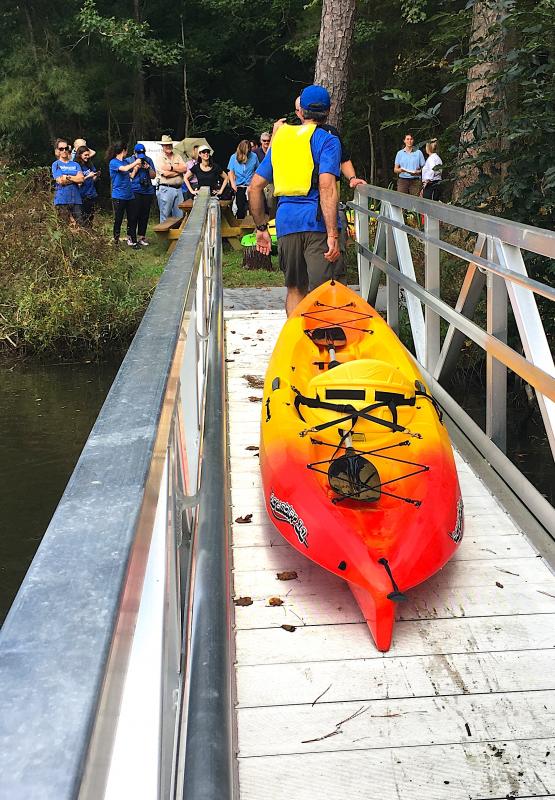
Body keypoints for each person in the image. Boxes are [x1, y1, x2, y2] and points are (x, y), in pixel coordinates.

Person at [249, 85, 342, 317]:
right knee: (323, 291)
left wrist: (261, 227)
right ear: (328, 111)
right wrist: (333, 234)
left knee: (294, 288)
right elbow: (327, 187)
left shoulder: (280, 142)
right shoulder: (328, 141)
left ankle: (295, 343)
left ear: (301, 112)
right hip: (317, 225)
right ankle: (320, 347)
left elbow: (254, 187)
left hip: (287, 223)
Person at [107, 140, 142, 246]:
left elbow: (130, 176)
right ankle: (116, 240)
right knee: (118, 219)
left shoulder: (126, 162)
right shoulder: (113, 162)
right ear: (123, 150)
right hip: (118, 195)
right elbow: (124, 169)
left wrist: (135, 169)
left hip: (129, 195)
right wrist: (135, 162)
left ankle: (133, 241)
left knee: (132, 218)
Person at [127, 143, 156, 246]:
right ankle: (130, 236)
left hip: (147, 190)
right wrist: (136, 167)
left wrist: (148, 168)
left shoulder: (148, 160)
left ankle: (141, 237)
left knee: (144, 215)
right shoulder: (129, 161)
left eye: (142, 154)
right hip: (135, 190)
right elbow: (128, 176)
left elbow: (153, 176)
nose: (141, 156)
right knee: (133, 214)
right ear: (134, 153)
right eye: (139, 154)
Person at [51, 138, 84, 225]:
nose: (64, 151)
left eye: (66, 148)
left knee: (80, 225)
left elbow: (81, 179)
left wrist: (68, 177)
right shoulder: (56, 164)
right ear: (57, 150)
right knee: (64, 227)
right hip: (62, 200)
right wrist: (74, 178)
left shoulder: (75, 164)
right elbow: (60, 180)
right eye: (61, 149)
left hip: (76, 199)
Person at [155, 135, 187, 222]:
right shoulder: (159, 158)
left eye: (169, 144)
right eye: (166, 145)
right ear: (162, 146)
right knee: (165, 215)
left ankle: (176, 235)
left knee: (180, 216)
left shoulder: (177, 156)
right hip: (166, 188)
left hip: (178, 189)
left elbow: (185, 169)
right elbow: (165, 174)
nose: (168, 146)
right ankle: (164, 235)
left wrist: (171, 168)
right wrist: (178, 171)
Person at [227, 140, 258, 219]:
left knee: (254, 208)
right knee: (240, 208)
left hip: (251, 186)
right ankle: (241, 225)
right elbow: (230, 171)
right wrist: (233, 183)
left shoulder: (254, 156)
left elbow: (257, 170)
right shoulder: (233, 157)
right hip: (239, 186)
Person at [74, 145, 99, 228]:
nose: (87, 157)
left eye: (88, 155)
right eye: (85, 155)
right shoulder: (76, 166)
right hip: (82, 195)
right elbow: (78, 182)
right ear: (80, 155)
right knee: (82, 219)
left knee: (90, 218)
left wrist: (96, 175)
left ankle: (89, 235)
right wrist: (88, 176)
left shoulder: (89, 164)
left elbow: (93, 179)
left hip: (92, 194)